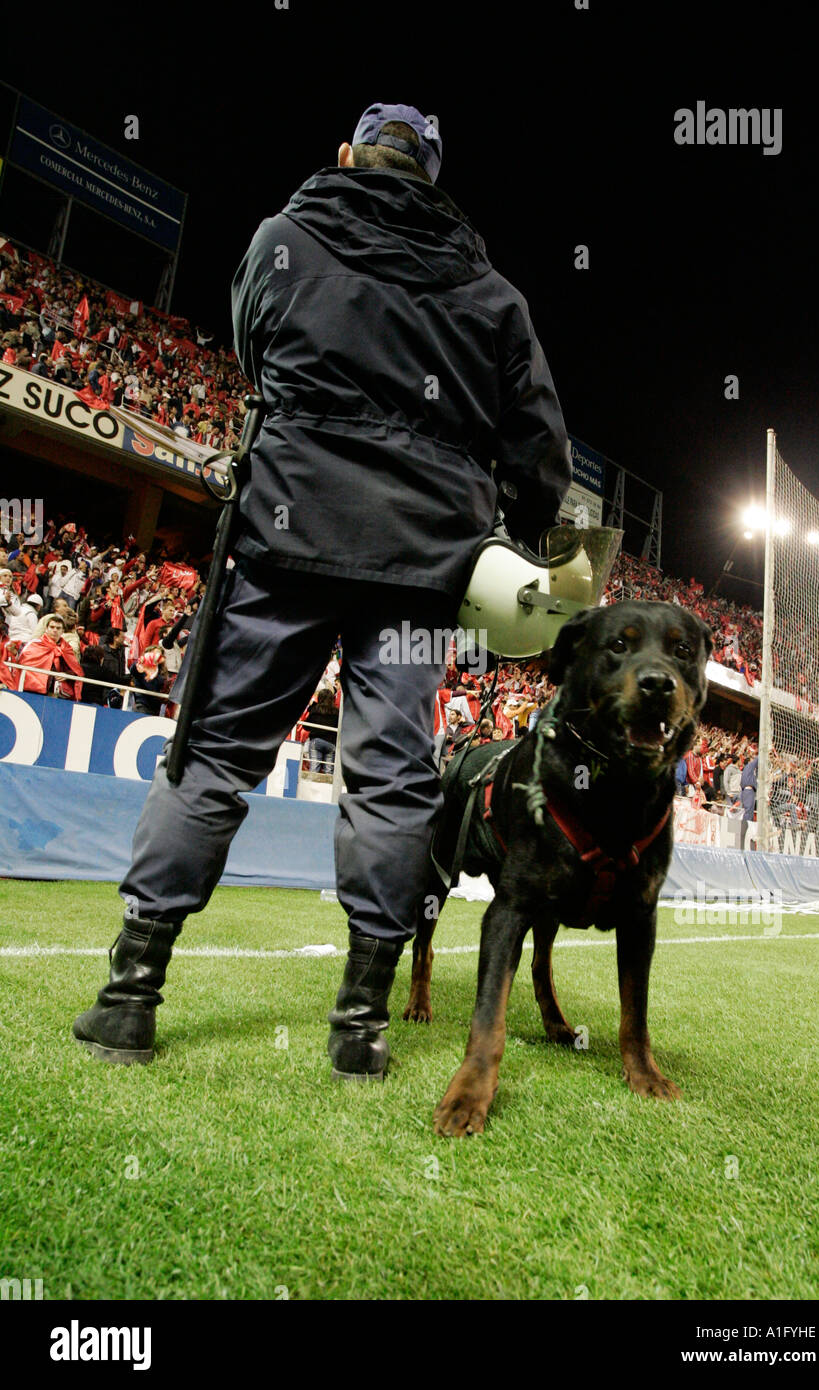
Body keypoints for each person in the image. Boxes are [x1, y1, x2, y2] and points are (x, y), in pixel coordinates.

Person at [73, 102, 570, 1077]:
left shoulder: (285, 236)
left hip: (284, 530)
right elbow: (538, 455)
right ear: (429, 177)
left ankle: (130, 997)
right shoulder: (489, 291)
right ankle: (361, 1027)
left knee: (212, 756)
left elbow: (253, 347)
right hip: (424, 564)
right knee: (390, 783)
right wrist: (522, 534)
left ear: (346, 156)